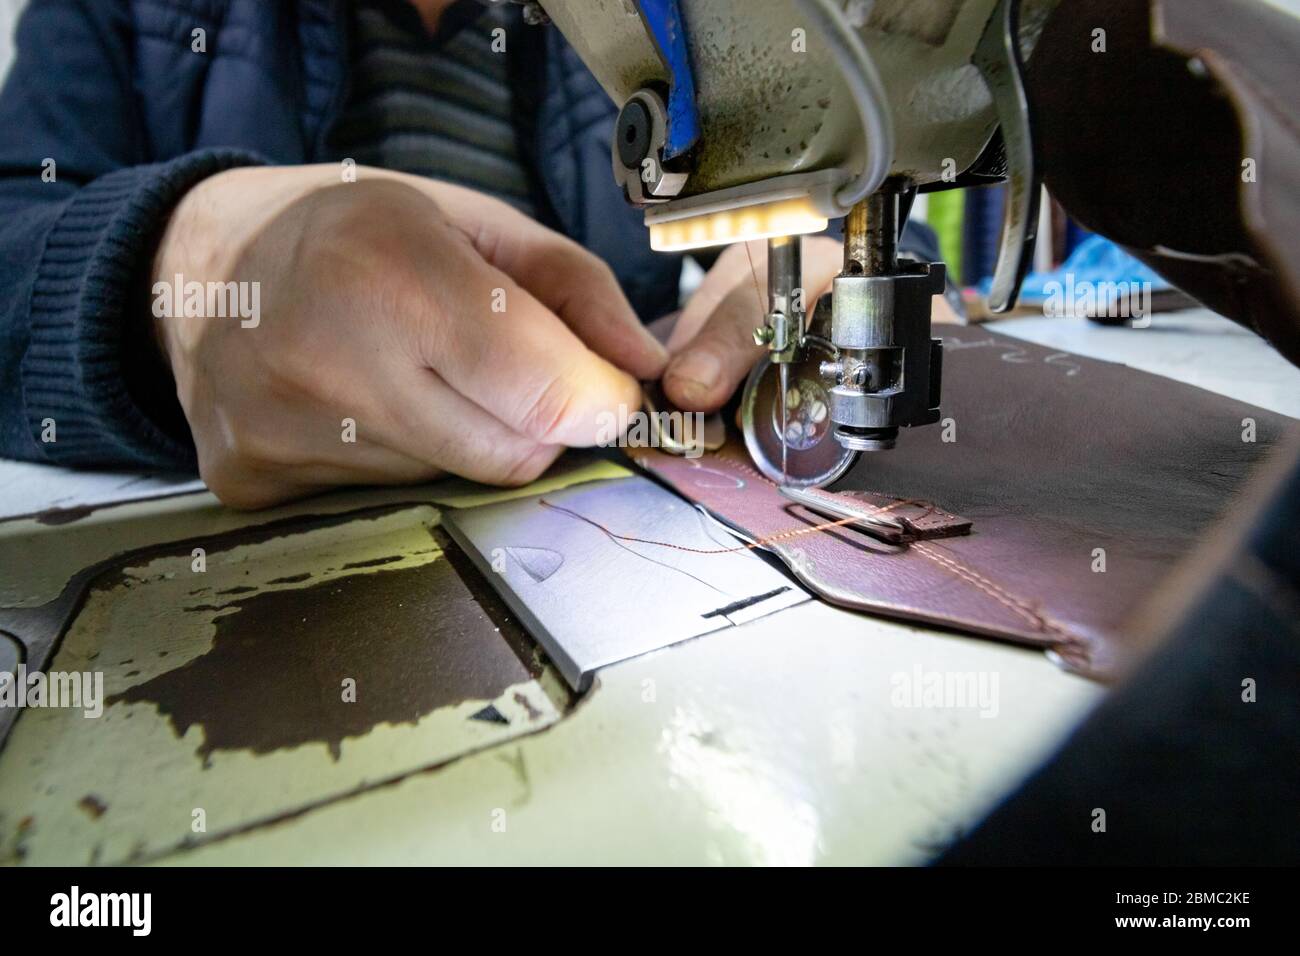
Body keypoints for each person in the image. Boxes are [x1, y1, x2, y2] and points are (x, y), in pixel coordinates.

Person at [0, 0, 950, 507]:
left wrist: (843, 253)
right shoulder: (120, 12)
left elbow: (856, 170)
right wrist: (176, 268)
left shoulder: (640, 26)